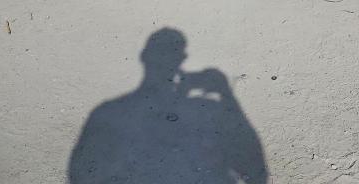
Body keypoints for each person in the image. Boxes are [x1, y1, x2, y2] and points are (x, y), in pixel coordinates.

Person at [68, 28, 267, 183]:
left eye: (171, 56)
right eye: (163, 56)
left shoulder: (110, 112)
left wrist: (227, 98)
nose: (167, 64)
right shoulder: (111, 114)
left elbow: (253, 170)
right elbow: (254, 171)